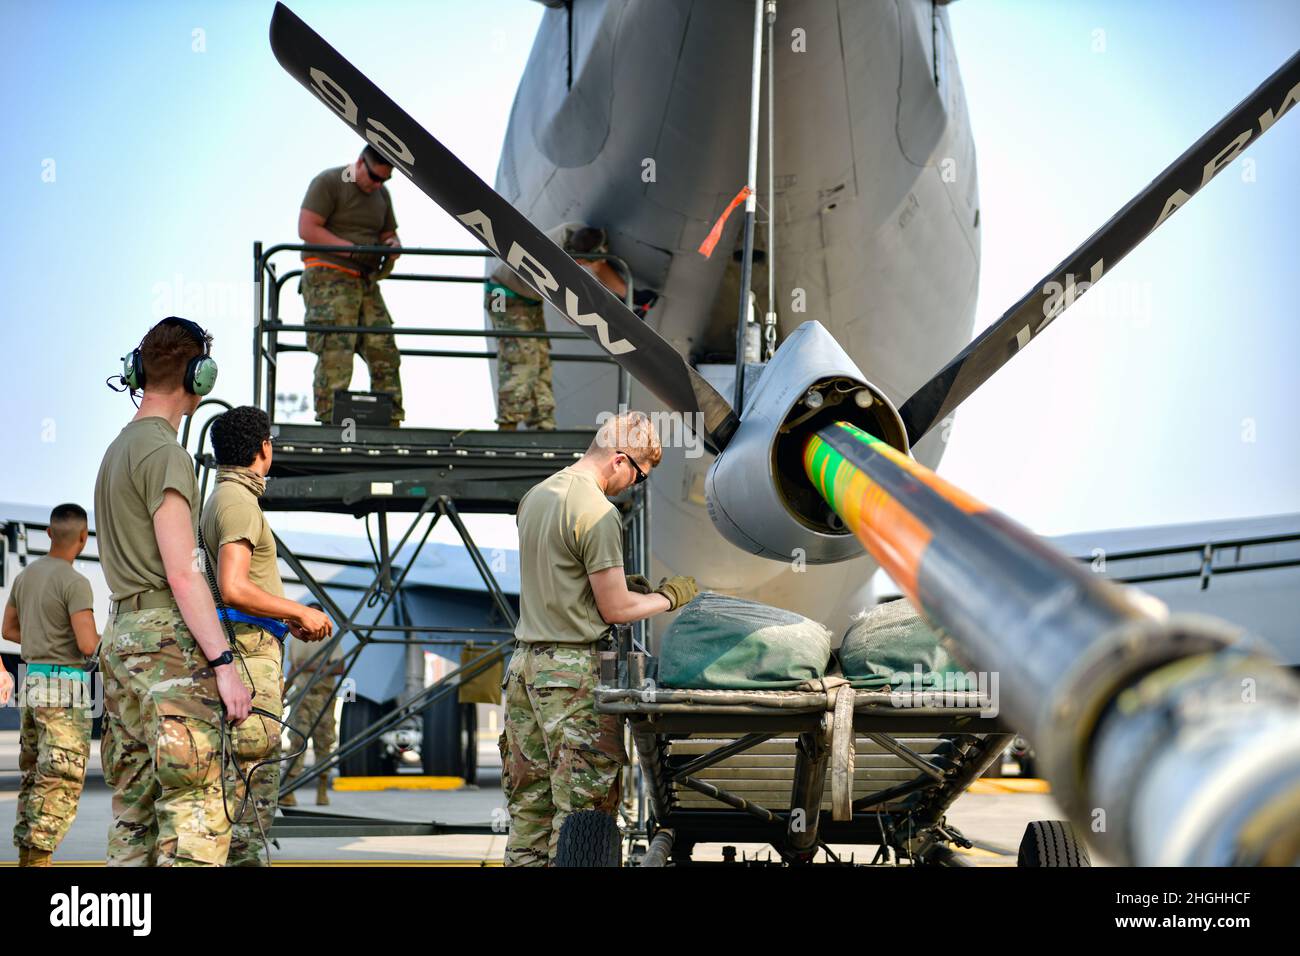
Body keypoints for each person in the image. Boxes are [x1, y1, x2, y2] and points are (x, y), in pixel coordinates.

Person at [500, 411, 698, 865]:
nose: (633, 486)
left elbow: (559, 575)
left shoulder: (537, 496)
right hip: (572, 679)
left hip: (526, 668)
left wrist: (616, 582)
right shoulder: (597, 513)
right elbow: (617, 610)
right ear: (620, 460)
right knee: (582, 815)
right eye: (639, 476)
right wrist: (670, 597)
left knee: (530, 810)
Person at [94, 316, 252, 866]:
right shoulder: (165, 453)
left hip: (122, 643)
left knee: (132, 813)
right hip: (167, 651)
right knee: (194, 815)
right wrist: (224, 663)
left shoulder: (116, 451)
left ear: (138, 372)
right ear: (198, 376)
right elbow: (183, 571)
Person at [200, 406, 333, 865]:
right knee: (250, 803)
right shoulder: (238, 501)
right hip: (249, 657)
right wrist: (299, 609)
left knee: (238, 796)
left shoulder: (224, 496)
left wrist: (285, 618)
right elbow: (235, 587)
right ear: (263, 449)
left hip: (249, 646)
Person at [2, 503, 99, 867]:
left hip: (33, 683)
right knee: (60, 779)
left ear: (48, 534)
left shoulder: (26, 576)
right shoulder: (75, 582)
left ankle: (28, 859)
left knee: (35, 776)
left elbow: (8, 630)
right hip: (64, 689)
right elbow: (88, 644)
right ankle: (39, 861)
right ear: (82, 538)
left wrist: (43, 638)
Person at [298, 146, 404, 427]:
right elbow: (308, 229)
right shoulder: (330, 182)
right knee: (336, 350)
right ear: (359, 163)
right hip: (328, 278)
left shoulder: (381, 194)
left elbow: (388, 232)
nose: (377, 184)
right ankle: (331, 420)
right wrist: (352, 250)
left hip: (365, 281)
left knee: (383, 347)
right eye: (373, 177)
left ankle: (390, 420)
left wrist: (392, 245)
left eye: (384, 180)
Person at [484, 224, 626, 432]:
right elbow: (570, 315)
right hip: (503, 294)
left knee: (540, 357)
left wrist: (629, 296)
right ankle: (508, 423)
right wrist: (614, 320)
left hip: (528, 298)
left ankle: (542, 423)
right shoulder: (553, 265)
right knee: (521, 357)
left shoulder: (577, 231)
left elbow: (597, 262)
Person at [281, 602, 345, 807]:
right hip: (302, 696)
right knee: (297, 740)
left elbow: (339, 667)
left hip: (323, 696)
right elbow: (292, 668)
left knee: (323, 742)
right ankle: (289, 790)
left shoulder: (329, 637)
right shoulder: (296, 639)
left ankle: (322, 789)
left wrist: (312, 666)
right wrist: (282, 692)